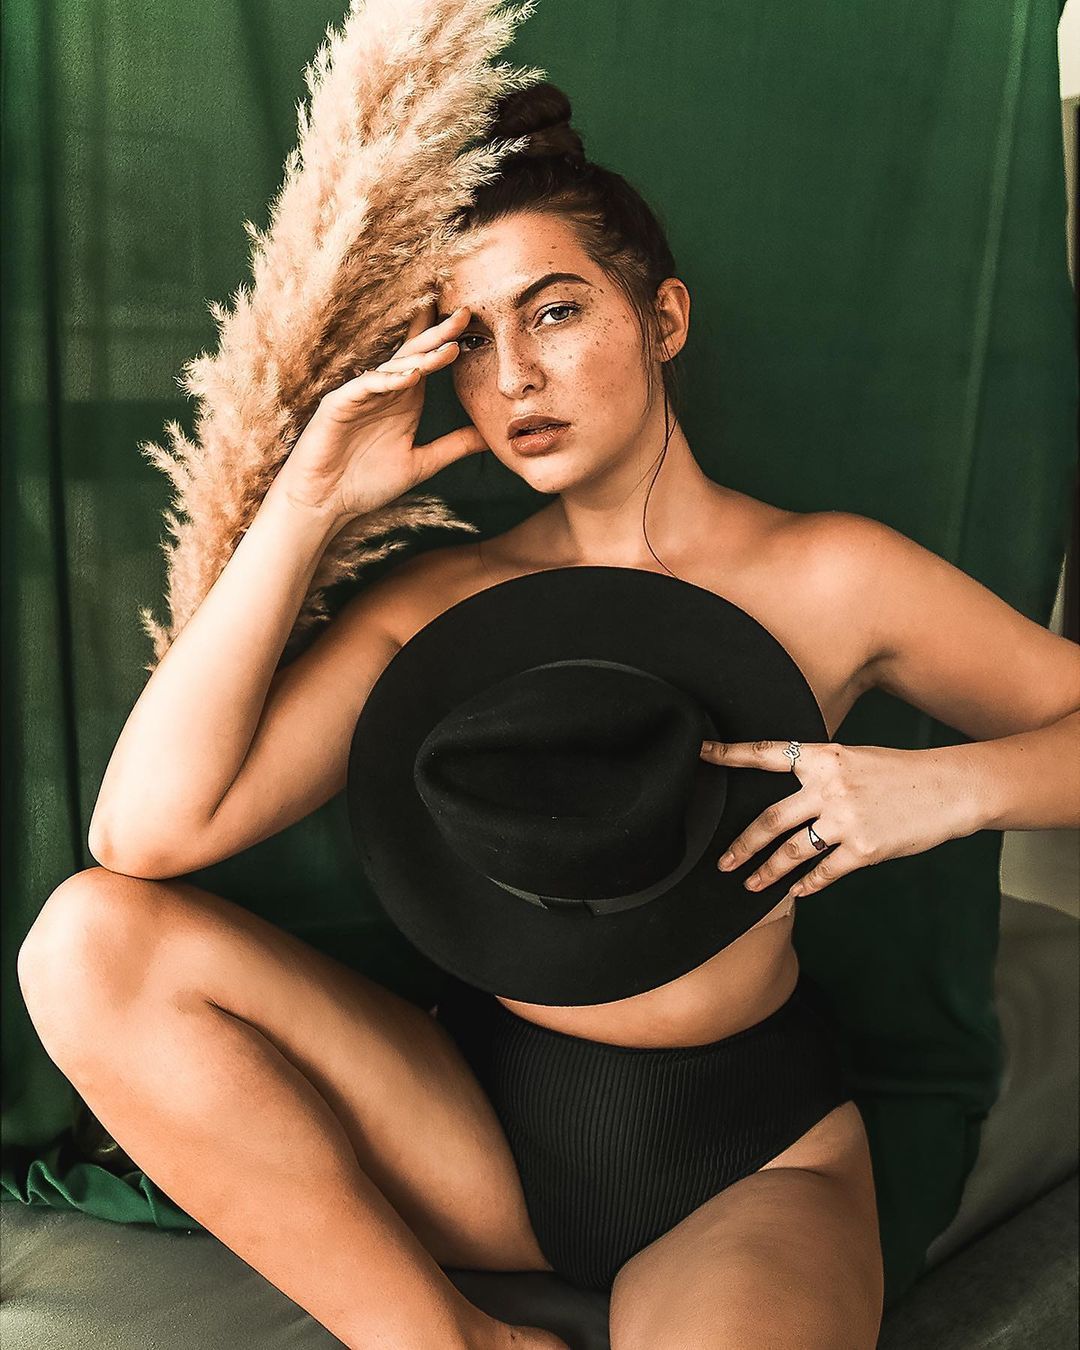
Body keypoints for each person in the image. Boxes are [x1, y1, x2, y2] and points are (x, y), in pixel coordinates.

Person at [16, 81, 1078, 1350]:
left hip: (745, 1160)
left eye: (556, 311)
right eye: (468, 338)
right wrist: (307, 505)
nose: (514, 373)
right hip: (474, 1128)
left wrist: (946, 790)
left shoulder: (830, 576)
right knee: (83, 942)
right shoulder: (438, 605)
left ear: (662, 318)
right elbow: (145, 836)